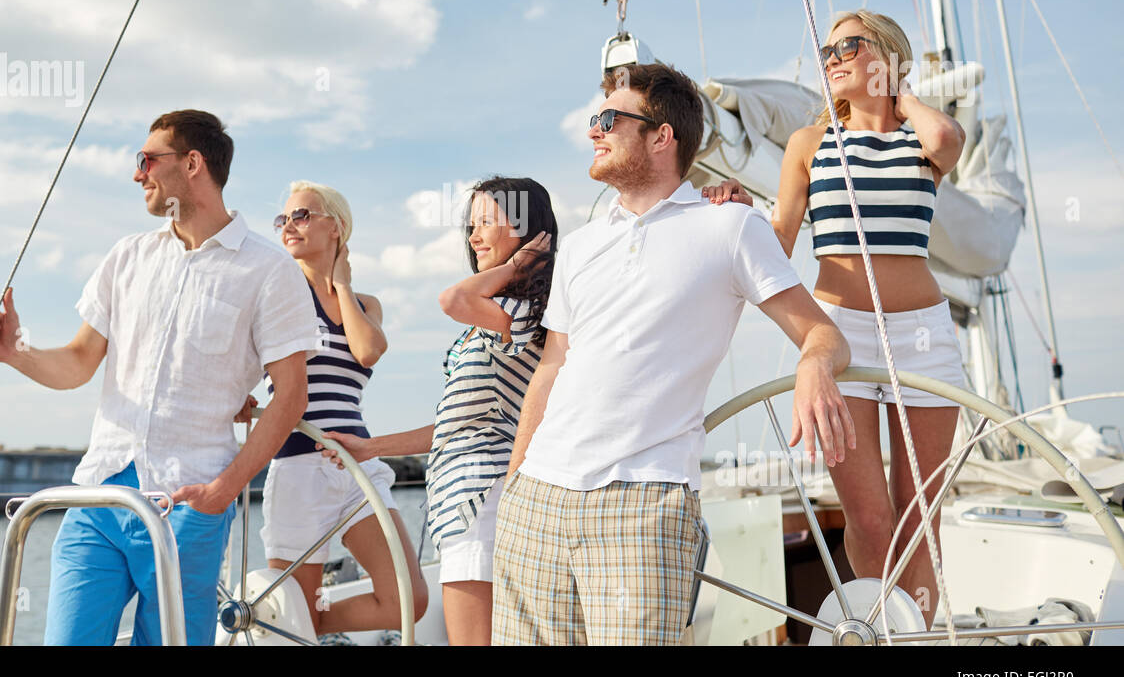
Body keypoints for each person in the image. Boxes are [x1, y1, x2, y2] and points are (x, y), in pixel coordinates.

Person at [492, 63, 854, 646]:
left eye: (609, 119)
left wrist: (812, 365)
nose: (594, 131)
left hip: (643, 504)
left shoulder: (730, 227)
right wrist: (515, 485)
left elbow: (825, 334)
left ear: (662, 136)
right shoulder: (580, 247)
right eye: (594, 119)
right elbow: (552, 366)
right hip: (535, 502)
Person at [0, 110, 319, 645]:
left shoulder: (269, 273)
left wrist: (221, 493)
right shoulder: (127, 256)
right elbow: (80, 362)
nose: (138, 174)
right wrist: (15, 352)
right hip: (99, 496)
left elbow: (291, 397)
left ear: (193, 164)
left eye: (147, 160)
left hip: (190, 503)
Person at [703, 10, 966, 629]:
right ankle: (873, 630)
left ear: (887, 55)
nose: (832, 58)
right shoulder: (809, 144)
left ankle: (915, 637)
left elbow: (946, 143)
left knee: (918, 515)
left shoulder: (920, 140)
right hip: (841, 337)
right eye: (826, 52)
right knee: (871, 519)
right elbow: (777, 240)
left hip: (924, 337)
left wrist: (899, 92)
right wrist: (740, 213)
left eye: (849, 46)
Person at [319, 177, 556, 645]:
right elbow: (453, 425)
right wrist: (371, 448)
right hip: (462, 505)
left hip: (483, 501)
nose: (473, 235)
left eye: (487, 222)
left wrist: (517, 267)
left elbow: (453, 299)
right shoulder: (495, 314)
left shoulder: (523, 309)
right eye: (471, 225)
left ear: (527, 230)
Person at [262, 180, 427, 640]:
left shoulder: (365, 303)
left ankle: (306, 622)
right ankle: (301, 622)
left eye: (302, 215)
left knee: (408, 600)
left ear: (336, 227)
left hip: (356, 463)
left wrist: (341, 283)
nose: (289, 226)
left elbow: (368, 349)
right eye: (284, 219)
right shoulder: (276, 296)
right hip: (297, 465)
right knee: (295, 615)